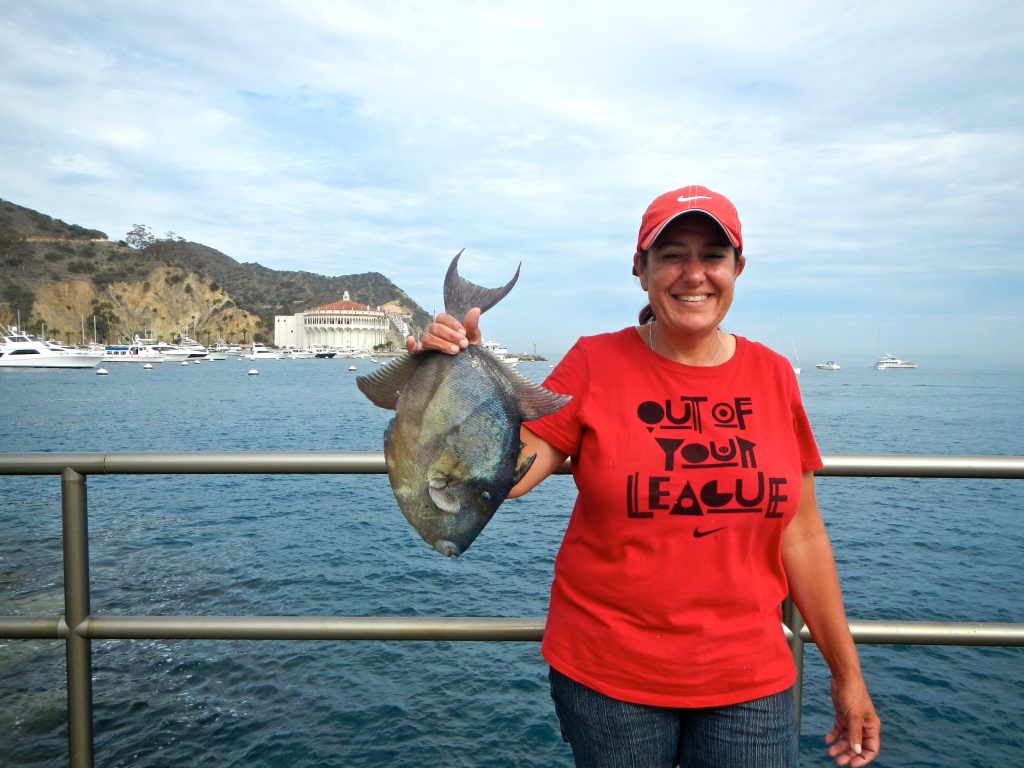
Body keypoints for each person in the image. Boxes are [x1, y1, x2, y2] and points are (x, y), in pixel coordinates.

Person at [408, 185, 881, 767]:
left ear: (737, 268)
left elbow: (802, 533)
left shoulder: (774, 374)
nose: (693, 274)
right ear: (641, 269)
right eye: (671, 254)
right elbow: (505, 475)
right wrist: (450, 376)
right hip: (609, 676)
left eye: (712, 255)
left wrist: (846, 674)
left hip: (751, 678)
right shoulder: (593, 362)